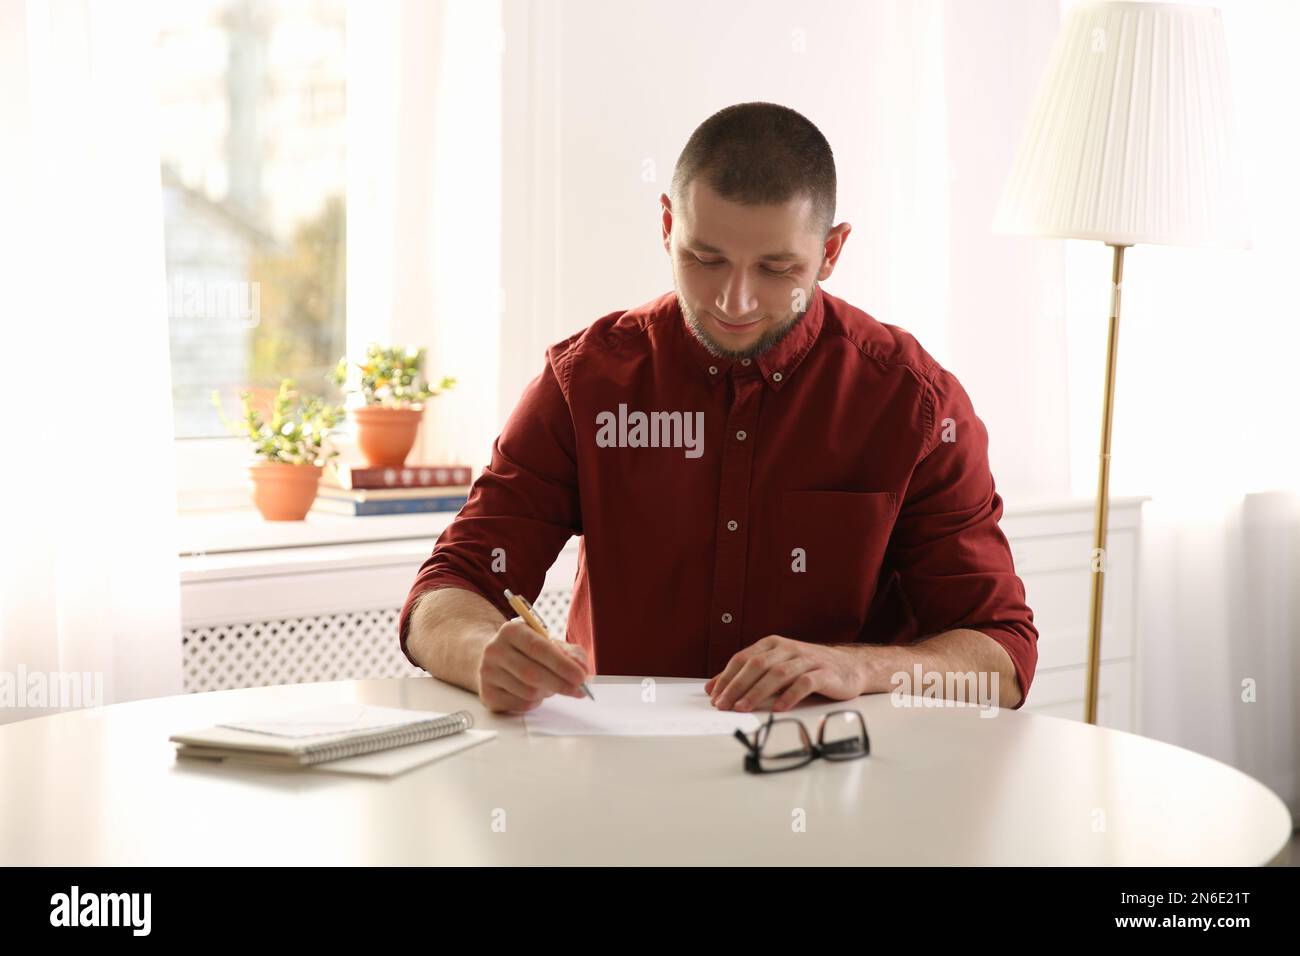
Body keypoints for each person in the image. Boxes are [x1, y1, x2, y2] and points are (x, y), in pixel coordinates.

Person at [400, 101, 1037, 716]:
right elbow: (445, 590)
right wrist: (485, 648)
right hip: (624, 772)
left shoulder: (914, 403)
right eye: (705, 259)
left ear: (832, 253)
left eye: (776, 268)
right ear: (667, 226)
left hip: (839, 779)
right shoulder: (584, 383)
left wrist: (859, 667)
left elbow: (1002, 659)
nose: (735, 300)